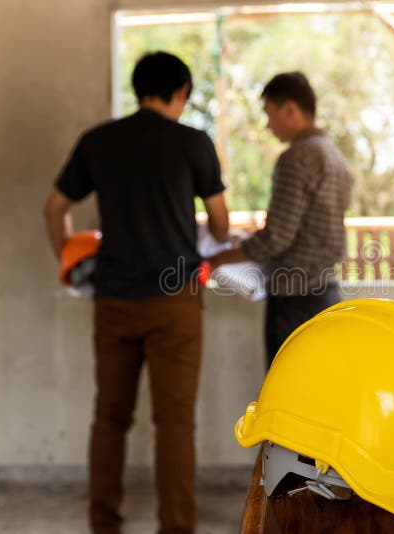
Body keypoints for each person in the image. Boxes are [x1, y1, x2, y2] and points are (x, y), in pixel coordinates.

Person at [43, 51, 229, 534]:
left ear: (139, 88)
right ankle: (176, 528)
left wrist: (71, 262)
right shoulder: (193, 143)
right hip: (175, 301)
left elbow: (54, 208)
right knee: (174, 423)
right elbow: (222, 223)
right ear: (182, 92)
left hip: (113, 300)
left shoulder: (100, 142)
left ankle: (103, 525)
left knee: (109, 417)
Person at [207, 71, 351, 368]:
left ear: (290, 110)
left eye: (269, 114)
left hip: (295, 302)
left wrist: (220, 258)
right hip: (326, 293)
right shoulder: (333, 155)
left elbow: (276, 238)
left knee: (287, 397)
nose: (268, 124)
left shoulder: (297, 158)